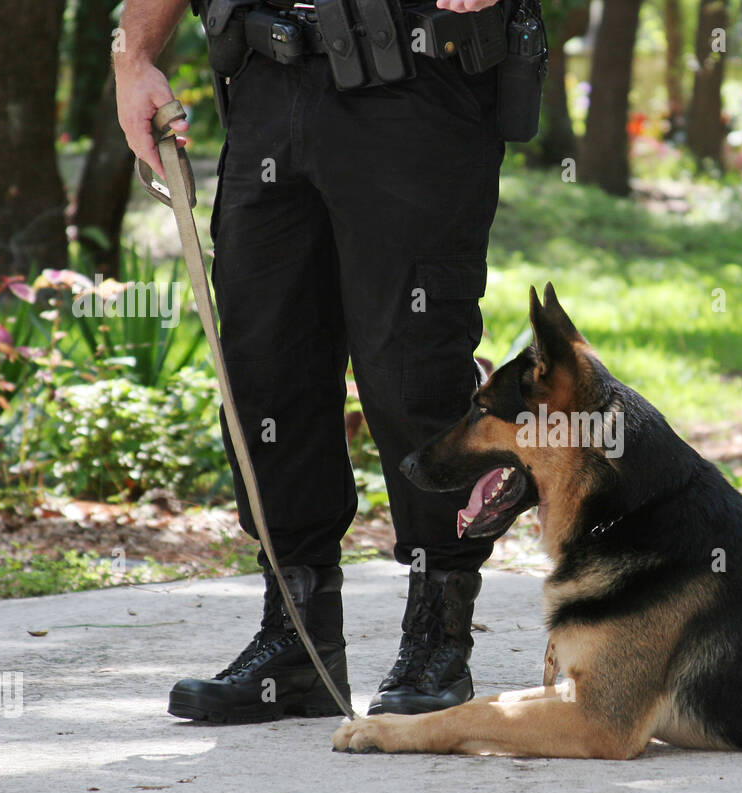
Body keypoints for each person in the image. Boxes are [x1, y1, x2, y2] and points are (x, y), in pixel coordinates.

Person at [114, 0, 506, 722]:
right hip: (267, 82)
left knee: (411, 365)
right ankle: (296, 642)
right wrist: (133, 59)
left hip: (414, 78)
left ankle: (438, 636)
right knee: (268, 367)